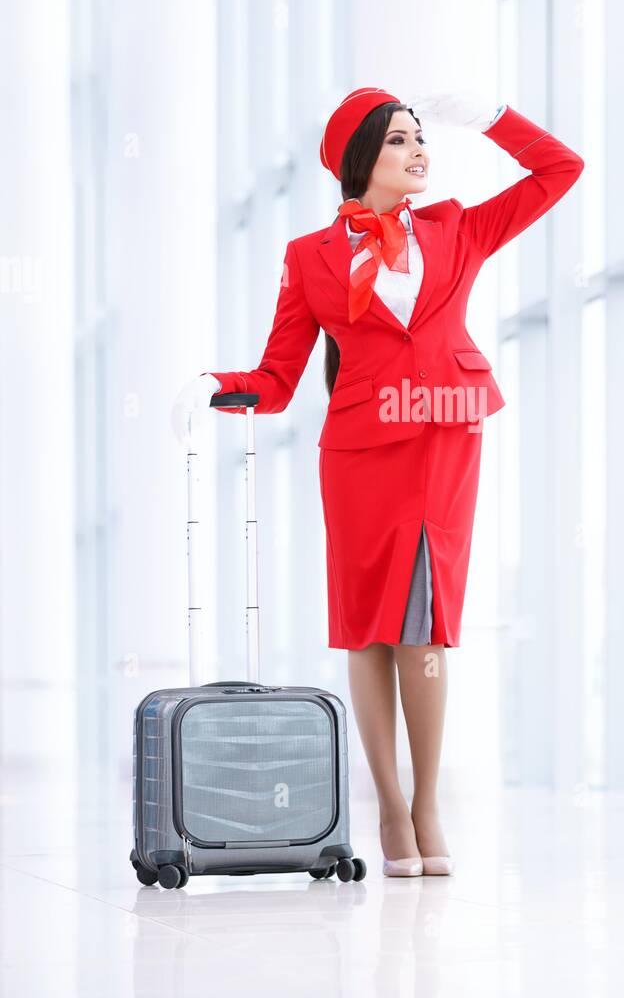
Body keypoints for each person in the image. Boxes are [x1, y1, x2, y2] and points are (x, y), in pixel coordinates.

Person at [171, 86, 584, 876]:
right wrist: (211, 385)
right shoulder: (309, 258)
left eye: (419, 136)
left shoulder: (457, 226)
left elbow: (559, 170)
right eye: (400, 140)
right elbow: (277, 378)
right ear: (360, 159)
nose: (418, 150)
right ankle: (389, 808)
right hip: (360, 450)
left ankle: (427, 803)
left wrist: (490, 116)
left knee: (423, 619)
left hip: (443, 434)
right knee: (367, 623)